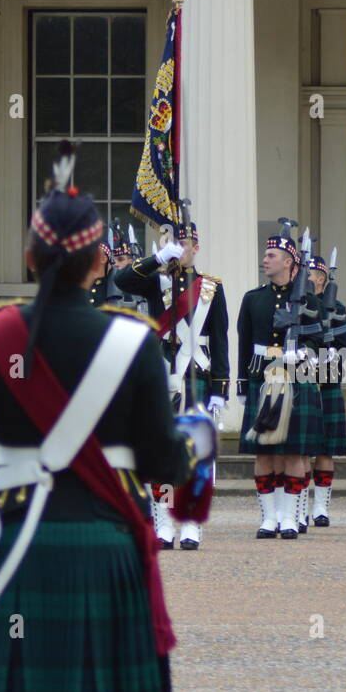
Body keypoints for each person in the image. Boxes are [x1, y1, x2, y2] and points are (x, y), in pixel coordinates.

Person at [0, 142, 203, 692]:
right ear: (99, 260)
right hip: (105, 547)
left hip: (14, 542)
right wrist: (196, 450)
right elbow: (164, 461)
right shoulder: (133, 339)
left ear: (31, 258)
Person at [113, 218, 229, 550]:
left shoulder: (210, 288)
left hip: (197, 375)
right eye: (177, 244)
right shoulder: (154, 283)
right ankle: (163, 522)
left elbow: (220, 341)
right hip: (161, 376)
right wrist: (158, 258)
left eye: (187, 244)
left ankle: (191, 523)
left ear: (197, 247)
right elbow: (122, 279)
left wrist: (220, 390)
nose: (183, 249)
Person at [237, 220, 326, 539]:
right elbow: (244, 343)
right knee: (264, 452)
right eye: (265, 253)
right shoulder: (252, 298)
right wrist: (243, 386)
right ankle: (269, 516)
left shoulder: (310, 300)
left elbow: (320, 338)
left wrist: (304, 353)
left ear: (289, 262)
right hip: (263, 375)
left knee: (291, 450)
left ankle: (289, 516)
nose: (265, 259)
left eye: (271, 255)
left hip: (296, 375)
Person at [307, 251, 346, 525]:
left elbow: (344, 341)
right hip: (301, 375)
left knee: (325, 449)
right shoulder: (294, 302)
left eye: (308, 274)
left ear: (320, 279)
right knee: (295, 449)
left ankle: (321, 507)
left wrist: (334, 352)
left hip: (328, 376)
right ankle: (296, 505)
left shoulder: (338, 307)